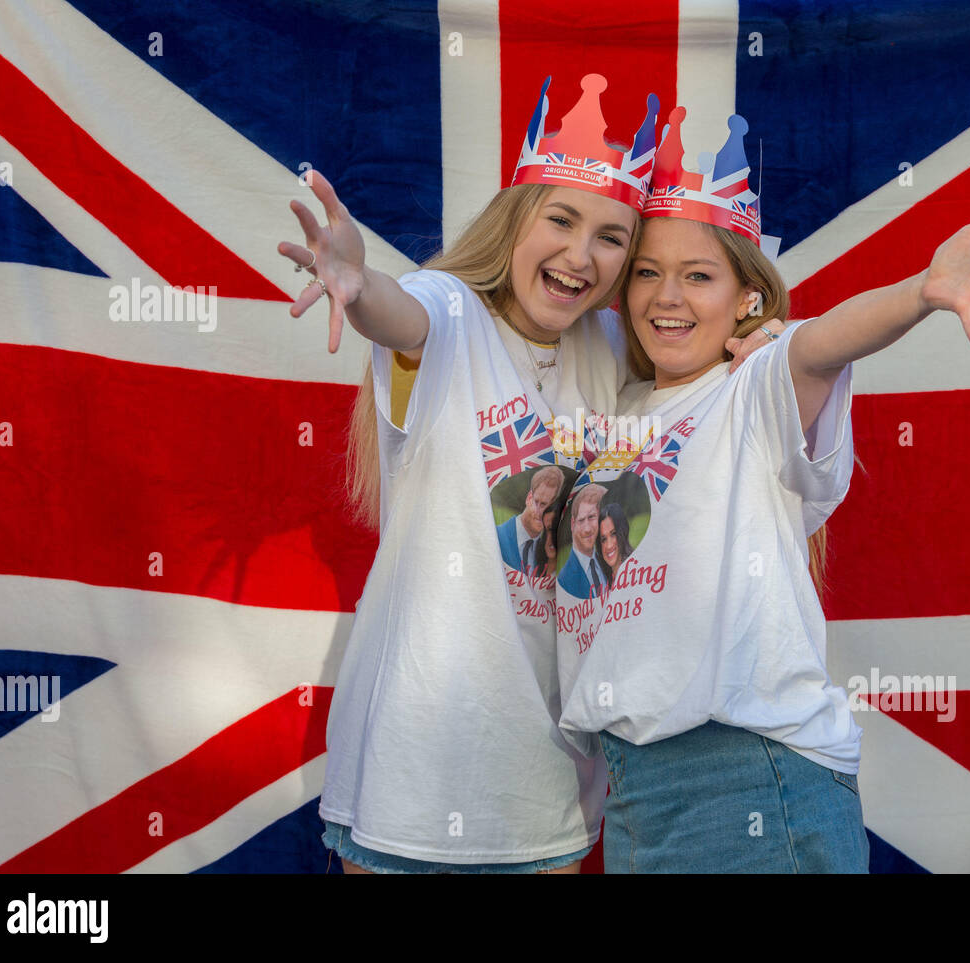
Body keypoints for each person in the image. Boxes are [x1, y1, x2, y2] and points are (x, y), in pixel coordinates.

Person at [555, 108, 970, 872]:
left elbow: (822, 344)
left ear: (748, 299)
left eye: (698, 276)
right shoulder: (614, 420)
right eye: (648, 273)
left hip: (745, 779)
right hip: (633, 792)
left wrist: (920, 293)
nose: (667, 296)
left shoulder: (752, 386)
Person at [281, 74, 661, 874]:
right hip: (409, 778)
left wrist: (757, 345)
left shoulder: (610, 348)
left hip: (547, 786)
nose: (580, 254)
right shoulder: (450, 311)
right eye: (561, 219)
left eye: (612, 236)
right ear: (515, 221)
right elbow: (401, 310)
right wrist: (358, 288)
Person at [497, 465, 566, 576]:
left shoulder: (548, 552)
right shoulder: (497, 536)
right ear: (529, 498)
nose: (539, 512)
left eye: (545, 505)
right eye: (537, 502)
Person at [557, 484, 608, 600]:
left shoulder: (607, 561)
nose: (587, 529)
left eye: (591, 517)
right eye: (581, 520)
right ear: (572, 524)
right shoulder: (564, 580)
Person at [596, 502, 634, 585]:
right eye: (603, 539)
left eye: (613, 534)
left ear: (622, 532)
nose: (609, 545)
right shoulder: (602, 582)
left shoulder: (636, 572)